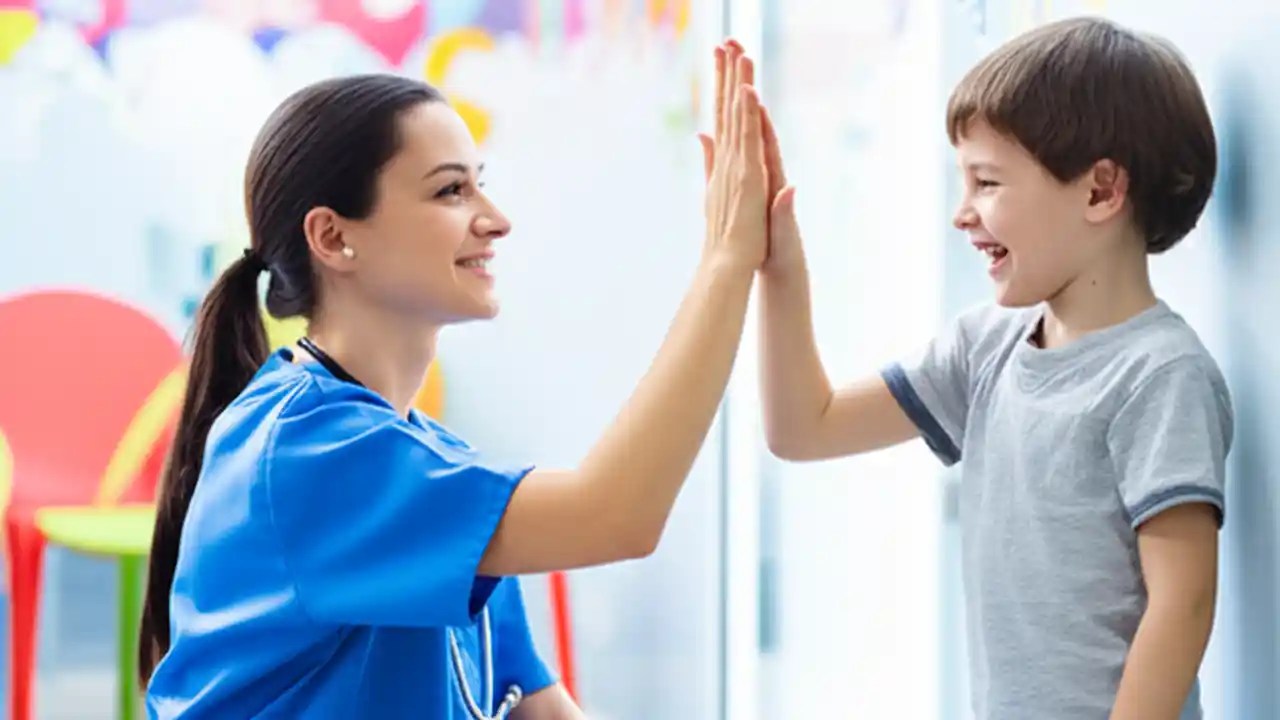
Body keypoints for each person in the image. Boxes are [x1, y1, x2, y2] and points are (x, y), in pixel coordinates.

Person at [140, 41, 769, 719]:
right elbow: (616, 516)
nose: (496, 220)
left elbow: (539, 706)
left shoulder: (430, 469)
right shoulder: (306, 450)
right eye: (450, 190)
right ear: (332, 237)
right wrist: (726, 263)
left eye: (480, 182)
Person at [757, 17, 1231, 720]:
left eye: (986, 182)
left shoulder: (1160, 376)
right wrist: (780, 268)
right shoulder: (986, 348)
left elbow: (1183, 602)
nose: (962, 214)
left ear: (1101, 191)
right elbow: (804, 428)